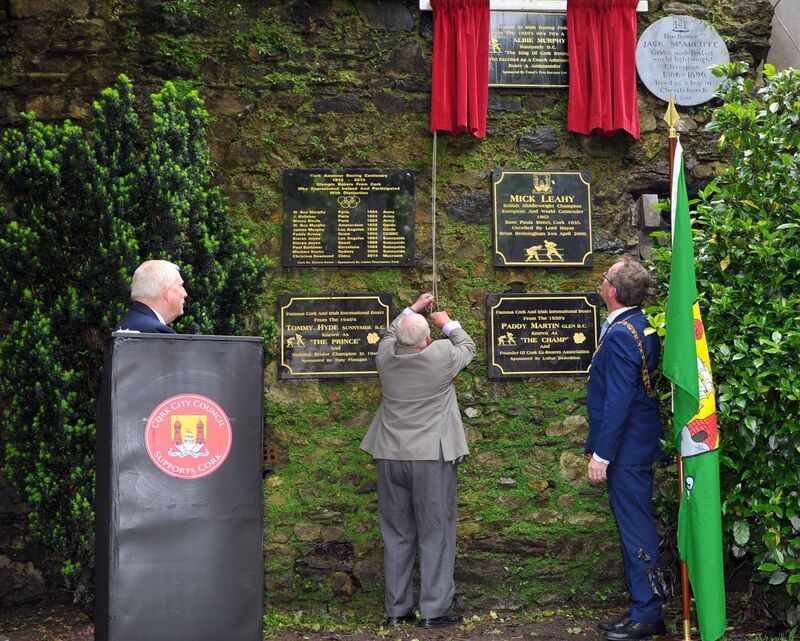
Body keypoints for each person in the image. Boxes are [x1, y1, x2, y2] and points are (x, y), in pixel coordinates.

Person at [360, 293, 476, 629]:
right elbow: (467, 346)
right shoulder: (440, 354)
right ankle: (434, 610)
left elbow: (389, 333)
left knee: (397, 533)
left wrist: (412, 308)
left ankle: (397, 610)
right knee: (435, 531)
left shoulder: (385, 356)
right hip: (430, 457)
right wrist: (447, 323)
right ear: (427, 339)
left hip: (389, 454)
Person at [585, 258, 665, 640]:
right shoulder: (640, 324)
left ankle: (648, 613)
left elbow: (618, 400)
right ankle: (642, 606)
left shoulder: (620, 334)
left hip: (627, 449)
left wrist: (602, 454)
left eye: (604, 278)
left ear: (612, 291)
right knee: (634, 527)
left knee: (636, 529)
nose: (601, 282)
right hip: (638, 442)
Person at [118, 260, 187, 334]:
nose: (185, 293)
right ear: (166, 292)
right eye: (180, 286)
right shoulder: (157, 331)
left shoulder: (129, 322)